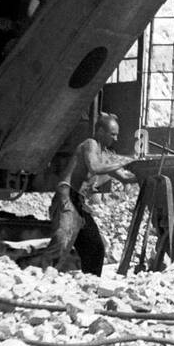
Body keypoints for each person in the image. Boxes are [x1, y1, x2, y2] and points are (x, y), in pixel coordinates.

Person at [46, 112, 138, 275]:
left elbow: (124, 178)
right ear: (101, 132)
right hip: (67, 195)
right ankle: (43, 276)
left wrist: (143, 173)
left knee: (95, 247)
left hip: (79, 201)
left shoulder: (105, 154)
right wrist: (125, 160)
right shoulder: (90, 144)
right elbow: (94, 167)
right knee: (62, 241)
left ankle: (91, 283)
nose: (115, 139)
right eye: (112, 134)